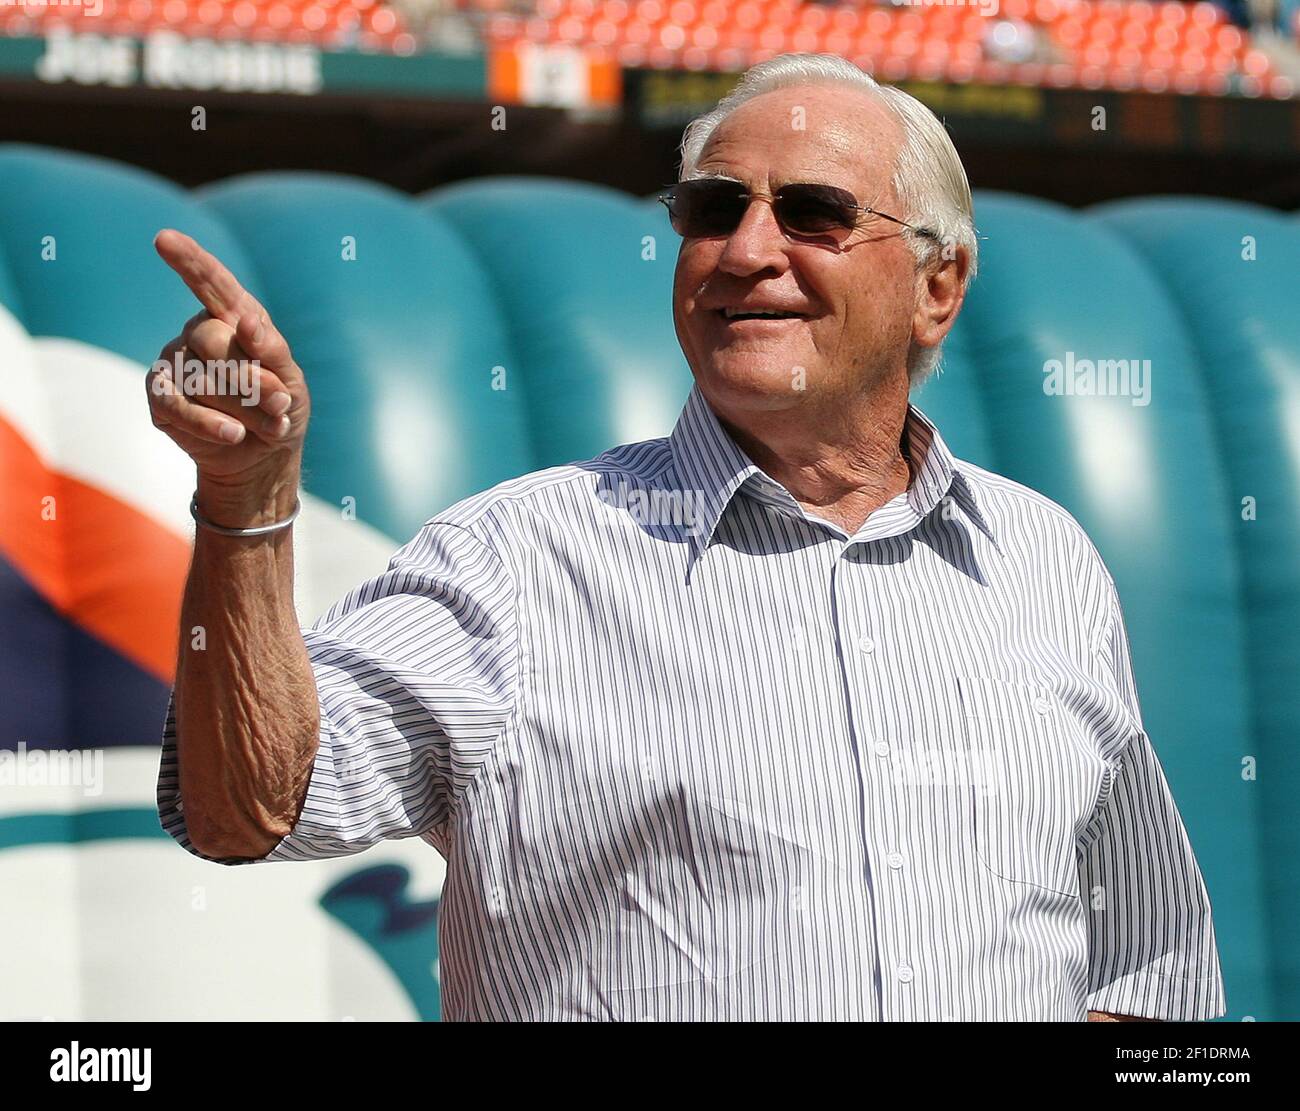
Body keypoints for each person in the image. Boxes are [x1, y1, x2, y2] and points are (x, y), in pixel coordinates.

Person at [147, 52, 1225, 1022]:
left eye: (811, 213)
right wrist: (247, 500)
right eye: (714, 208)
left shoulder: (1042, 559)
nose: (748, 250)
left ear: (936, 288)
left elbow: (1140, 973)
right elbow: (246, 807)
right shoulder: (519, 559)